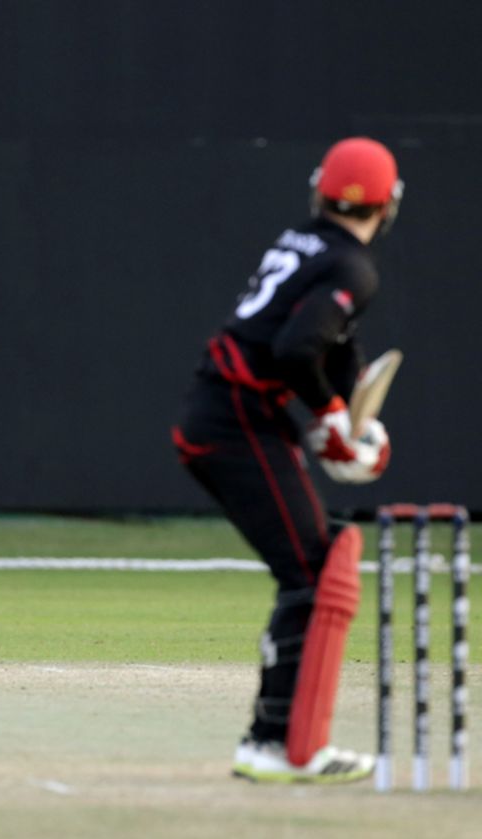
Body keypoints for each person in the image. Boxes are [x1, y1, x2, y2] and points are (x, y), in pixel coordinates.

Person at [172, 137, 403, 783]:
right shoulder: (354, 267)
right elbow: (298, 349)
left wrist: (355, 415)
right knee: (311, 568)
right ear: (386, 205)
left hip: (225, 412)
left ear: (320, 189)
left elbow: (331, 347)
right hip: (235, 419)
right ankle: (274, 742)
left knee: (319, 554)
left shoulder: (303, 241)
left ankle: (280, 738)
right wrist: (333, 418)